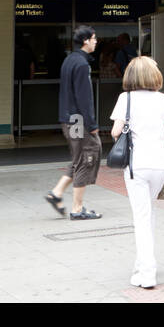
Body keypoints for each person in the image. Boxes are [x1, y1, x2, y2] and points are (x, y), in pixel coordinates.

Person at [110, 56, 164, 289]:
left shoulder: (125, 98)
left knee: (141, 216)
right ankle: (141, 263)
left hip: (137, 166)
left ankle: (147, 272)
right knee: (148, 213)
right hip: (161, 165)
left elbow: (115, 131)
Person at [47, 25, 102, 220]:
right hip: (78, 121)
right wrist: (93, 124)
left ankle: (57, 193)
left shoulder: (69, 60)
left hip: (68, 118)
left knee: (78, 158)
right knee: (86, 159)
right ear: (86, 40)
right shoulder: (81, 64)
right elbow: (84, 98)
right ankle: (77, 209)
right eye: (94, 38)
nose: (96, 41)